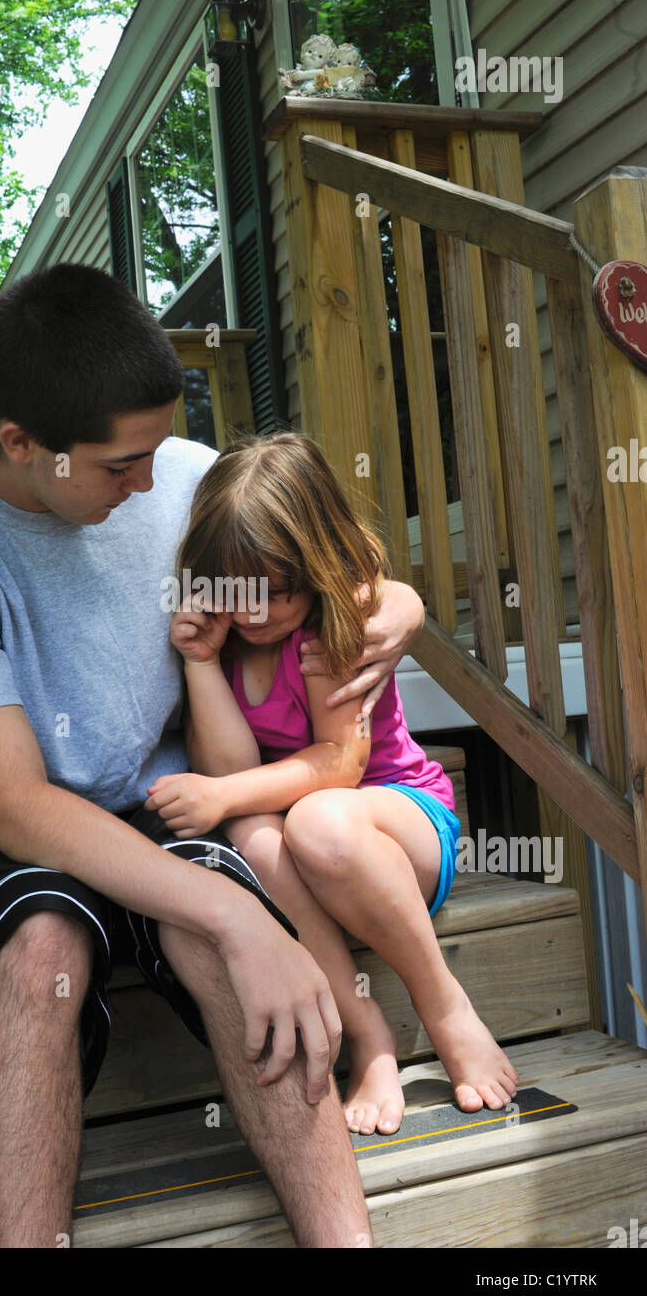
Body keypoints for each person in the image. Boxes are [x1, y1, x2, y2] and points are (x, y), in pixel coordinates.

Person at [0, 263, 425, 1249]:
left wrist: (400, 606)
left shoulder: (170, 471)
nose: (151, 483)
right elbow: (15, 806)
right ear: (20, 444)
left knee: (226, 938)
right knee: (46, 948)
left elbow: (326, 552)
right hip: (20, 830)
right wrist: (236, 911)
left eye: (159, 453)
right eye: (123, 465)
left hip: (171, 802)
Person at [145, 433, 519, 1137]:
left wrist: (224, 799)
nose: (256, 614)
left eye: (277, 592)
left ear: (314, 565)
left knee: (315, 819)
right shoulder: (230, 636)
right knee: (253, 836)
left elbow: (340, 765)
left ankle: (445, 1008)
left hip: (396, 827)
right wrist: (199, 662)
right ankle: (366, 1033)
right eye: (239, 591)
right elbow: (229, 772)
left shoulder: (327, 628)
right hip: (301, 845)